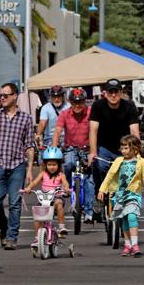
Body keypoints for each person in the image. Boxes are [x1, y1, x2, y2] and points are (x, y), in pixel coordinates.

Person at [0, 83, 36, 250]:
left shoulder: (26, 118)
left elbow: (29, 146)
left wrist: (29, 170)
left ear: (15, 96)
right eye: (1, 95)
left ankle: (12, 237)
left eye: (6, 95)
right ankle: (4, 227)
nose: (2, 98)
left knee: (15, 203)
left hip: (17, 165)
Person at [97, 135, 144, 257]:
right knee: (124, 220)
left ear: (135, 148)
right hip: (120, 195)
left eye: (126, 148)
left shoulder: (141, 162)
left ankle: (135, 245)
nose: (123, 151)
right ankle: (127, 245)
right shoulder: (119, 161)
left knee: (132, 217)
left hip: (133, 195)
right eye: (122, 148)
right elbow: (110, 176)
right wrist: (102, 189)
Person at [89, 78, 140, 207]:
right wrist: (93, 152)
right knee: (99, 166)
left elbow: (134, 131)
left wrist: (136, 153)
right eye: (110, 92)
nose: (113, 95)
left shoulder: (129, 106)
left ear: (121, 93)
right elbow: (93, 130)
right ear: (105, 93)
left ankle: (126, 199)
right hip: (104, 147)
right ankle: (98, 196)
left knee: (128, 172)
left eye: (116, 92)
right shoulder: (97, 106)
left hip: (123, 148)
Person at [52, 88, 94, 222]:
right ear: (70, 102)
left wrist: (94, 151)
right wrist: (54, 150)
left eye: (80, 102)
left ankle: (89, 212)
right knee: (68, 164)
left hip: (87, 149)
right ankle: (67, 187)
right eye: (74, 102)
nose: (77, 105)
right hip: (70, 148)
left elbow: (96, 130)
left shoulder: (91, 113)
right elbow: (57, 132)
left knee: (89, 180)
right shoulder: (64, 114)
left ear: (85, 101)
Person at [21, 147, 70, 244]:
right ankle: (37, 238)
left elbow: (65, 183)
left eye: (54, 164)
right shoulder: (43, 173)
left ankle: (61, 227)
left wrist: (67, 188)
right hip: (44, 198)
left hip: (56, 197)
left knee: (59, 204)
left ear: (59, 165)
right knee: (38, 216)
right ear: (45, 165)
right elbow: (34, 182)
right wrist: (29, 188)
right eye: (49, 164)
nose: (52, 167)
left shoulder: (61, 175)